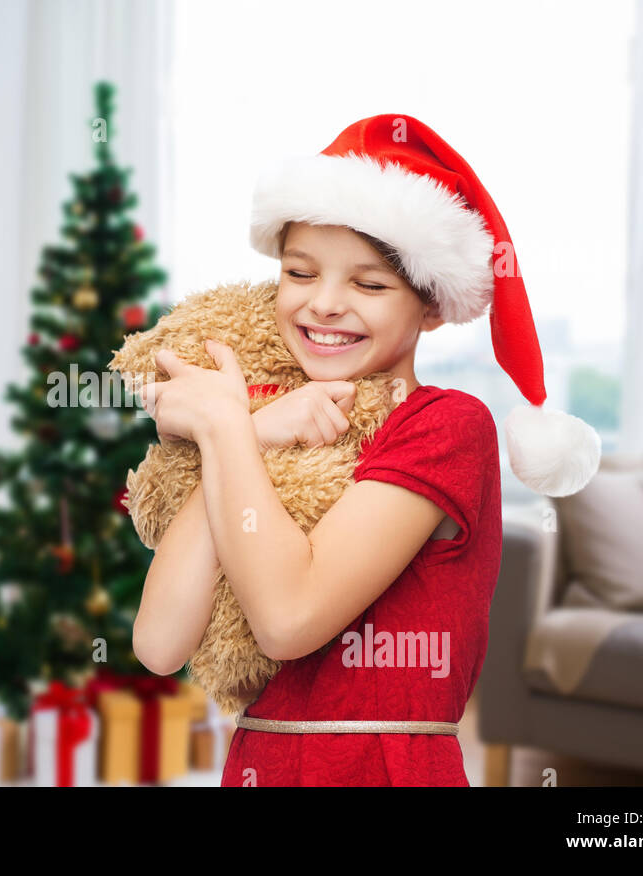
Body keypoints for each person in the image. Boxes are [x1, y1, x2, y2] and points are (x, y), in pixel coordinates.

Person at [133, 114, 600, 786]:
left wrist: (226, 427)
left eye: (370, 284)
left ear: (431, 305)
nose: (324, 304)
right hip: (259, 765)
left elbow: (289, 621)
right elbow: (157, 643)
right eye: (300, 272)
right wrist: (250, 431)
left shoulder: (446, 426)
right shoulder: (265, 431)